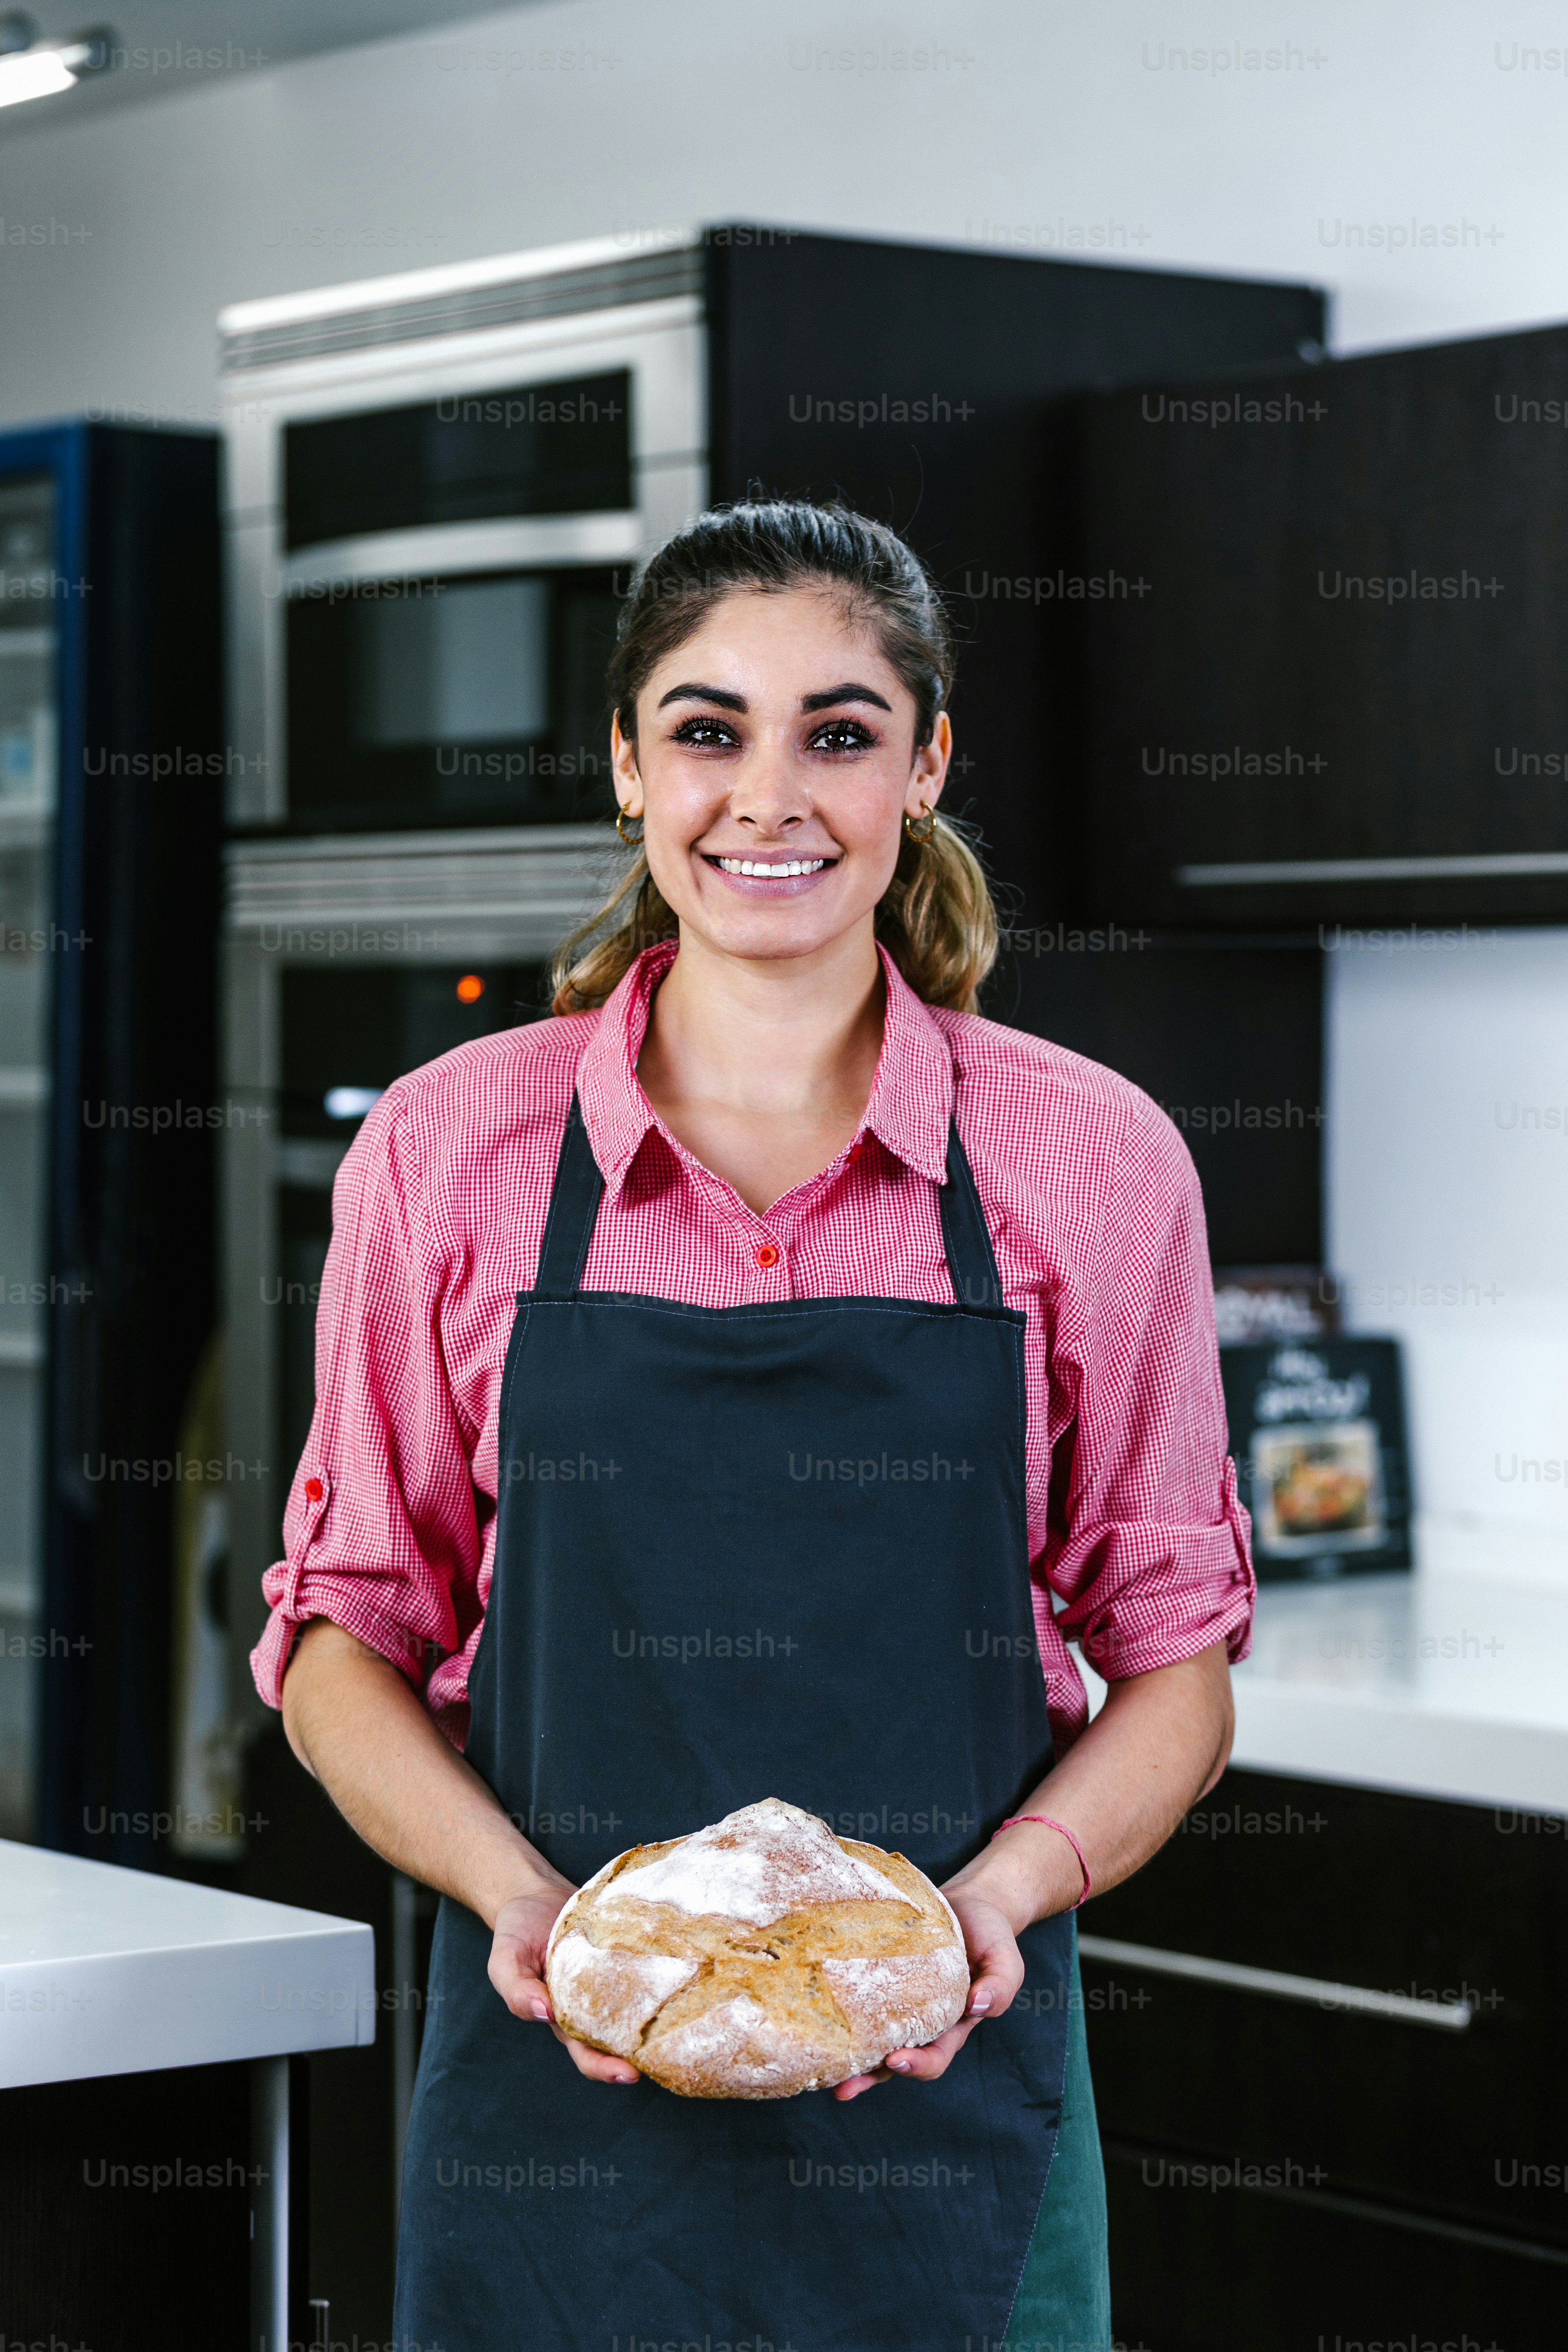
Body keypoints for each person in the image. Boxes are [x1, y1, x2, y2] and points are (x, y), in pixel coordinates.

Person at [259, 498, 1254, 2352]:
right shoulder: (450, 1152)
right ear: (630, 766)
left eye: (842, 733)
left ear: (928, 765)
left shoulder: (1092, 1161)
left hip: (952, 2102)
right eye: (709, 730)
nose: (770, 797)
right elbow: (338, 1641)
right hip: (557, 2094)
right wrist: (525, 1903)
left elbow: (1178, 1669)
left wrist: (989, 1913)